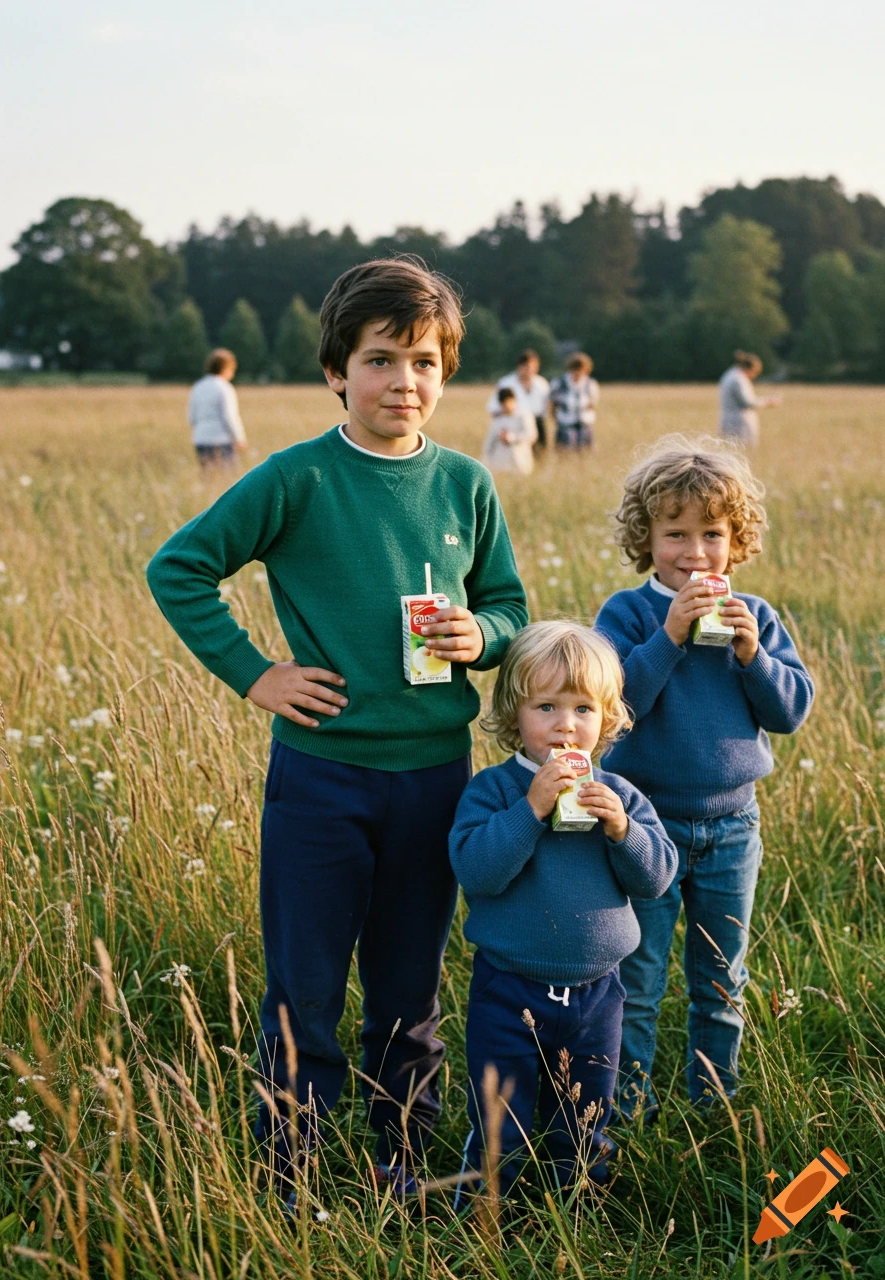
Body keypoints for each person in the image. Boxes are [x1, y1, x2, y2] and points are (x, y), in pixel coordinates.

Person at [146, 257, 528, 1204]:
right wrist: (257, 674)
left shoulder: (467, 485)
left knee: (408, 994)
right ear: (336, 371)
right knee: (305, 988)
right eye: (382, 358)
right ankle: (295, 1172)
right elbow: (180, 568)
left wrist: (485, 634)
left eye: (429, 362)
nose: (407, 381)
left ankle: (398, 1162)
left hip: (438, 776)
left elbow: (512, 606)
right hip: (320, 779)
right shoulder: (296, 479)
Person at [595, 438, 814, 1119]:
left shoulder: (758, 617)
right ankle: (626, 1109)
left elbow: (789, 713)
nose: (694, 553)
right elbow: (614, 708)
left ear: (736, 540)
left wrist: (752, 654)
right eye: (675, 534)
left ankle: (713, 1108)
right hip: (643, 826)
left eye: (711, 535)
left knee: (721, 979)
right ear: (647, 537)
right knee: (639, 977)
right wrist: (669, 635)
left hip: (732, 827)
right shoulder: (627, 614)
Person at [449, 622, 677, 1198]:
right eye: (545, 706)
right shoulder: (495, 792)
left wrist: (622, 830)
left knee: (586, 1114)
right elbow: (476, 870)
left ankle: (580, 1205)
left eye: (582, 708)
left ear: (607, 719)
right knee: (503, 1110)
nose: (565, 725)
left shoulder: (618, 794)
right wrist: (532, 808)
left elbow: (656, 879)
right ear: (512, 712)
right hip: (509, 989)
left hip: (598, 994)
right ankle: (484, 1208)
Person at [187, 348, 248, 467]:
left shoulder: (198, 386)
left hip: (200, 439)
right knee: (227, 480)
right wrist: (239, 438)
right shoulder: (225, 388)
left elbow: (191, 417)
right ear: (225, 368)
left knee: (208, 478)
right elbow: (230, 416)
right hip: (222, 441)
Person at [487, 349, 551, 450]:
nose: (530, 370)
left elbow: (547, 407)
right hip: (515, 423)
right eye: (527, 367)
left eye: (534, 367)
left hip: (538, 422)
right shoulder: (506, 383)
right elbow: (492, 407)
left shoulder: (541, 383)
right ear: (520, 366)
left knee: (540, 453)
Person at [718, 350, 780, 446]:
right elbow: (747, 402)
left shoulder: (729, 374)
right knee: (742, 451)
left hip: (729, 419)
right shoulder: (738, 380)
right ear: (749, 368)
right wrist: (768, 402)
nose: (754, 376)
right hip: (739, 423)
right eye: (755, 372)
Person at [482, 388, 539, 475]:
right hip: (499, 463)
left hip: (520, 461)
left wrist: (512, 438)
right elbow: (489, 442)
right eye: (504, 404)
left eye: (509, 403)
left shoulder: (523, 416)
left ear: (514, 400)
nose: (507, 407)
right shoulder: (498, 419)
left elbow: (531, 435)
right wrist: (485, 461)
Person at [549, 353, 600, 449]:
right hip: (565, 425)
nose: (578, 373)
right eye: (575, 369)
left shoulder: (590, 384)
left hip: (584, 426)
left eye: (581, 370)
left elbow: (593, 404)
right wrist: (556, 420)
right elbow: (552, 404)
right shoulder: (559, 383)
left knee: (585, 455)